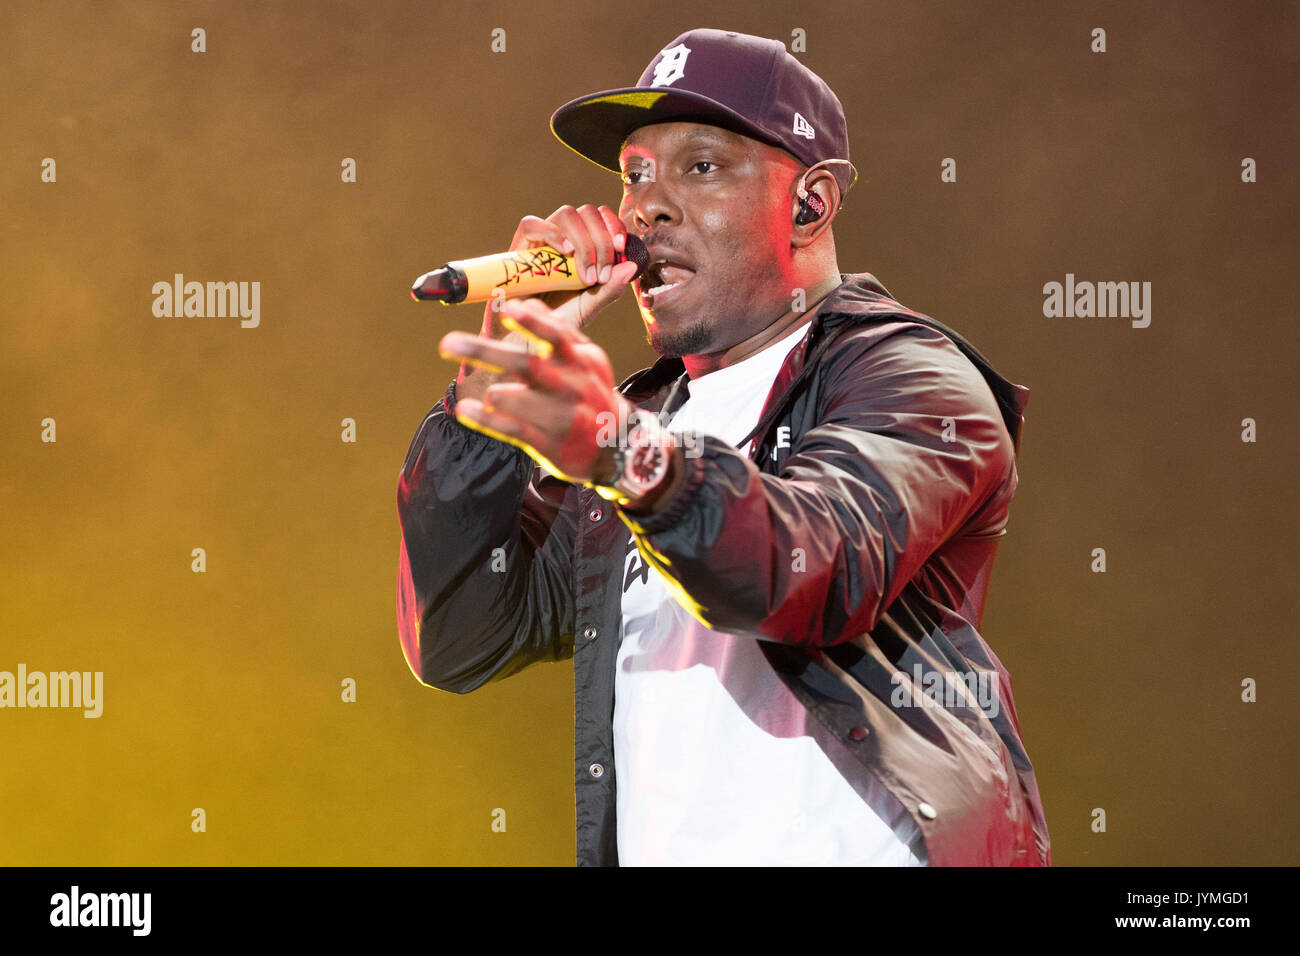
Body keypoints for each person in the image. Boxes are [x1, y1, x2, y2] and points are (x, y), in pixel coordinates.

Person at [395, 28, 1051, 866]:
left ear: (809, 203)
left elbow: (812, 567)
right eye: (634, 174)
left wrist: (620, 453)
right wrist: (482, 420)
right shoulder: (644, 419)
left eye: (699, 166)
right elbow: (461, 641)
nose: (644, 208)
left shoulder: (910, 373)